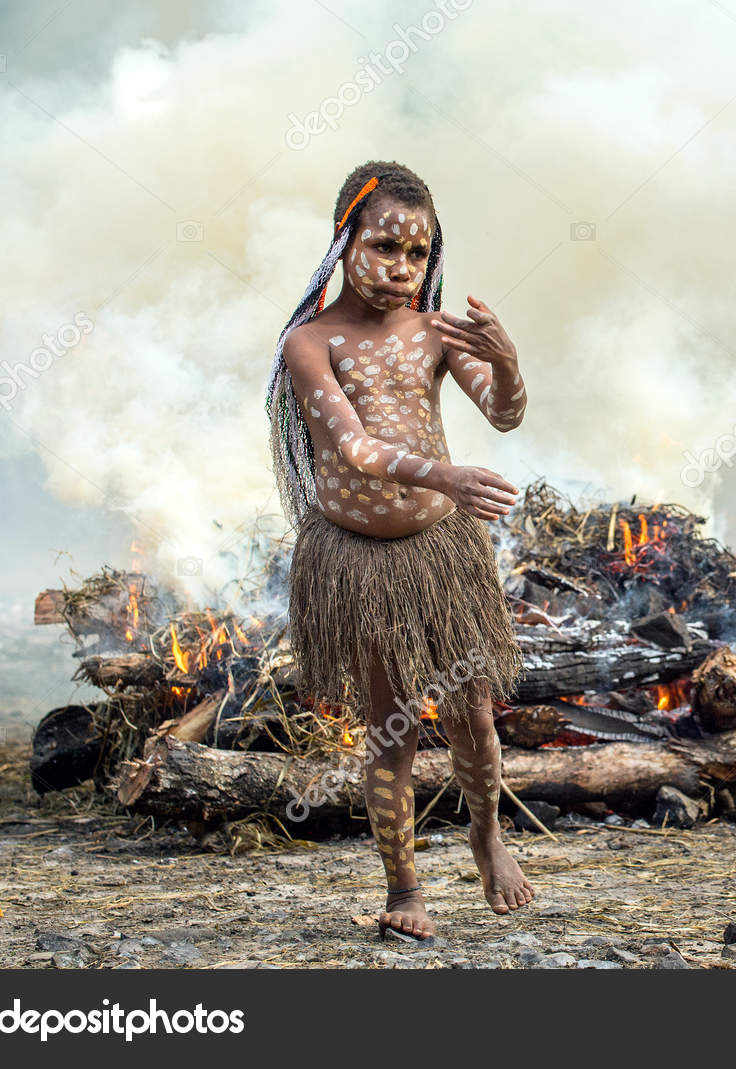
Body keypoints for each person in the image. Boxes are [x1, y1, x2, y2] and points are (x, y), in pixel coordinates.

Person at [265, 161, 534, 939]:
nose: (400, 269)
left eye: (417, 255)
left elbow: (505, 414)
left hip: (440, 554)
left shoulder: (434, 333)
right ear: (345, 240)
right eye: (384, 247)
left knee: (473, 715)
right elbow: (350, 449)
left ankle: (487, 833)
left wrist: (508, 360)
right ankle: (405, 885)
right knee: (392, 727)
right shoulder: (308, 342)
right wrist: (444, 472)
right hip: (361, 560)